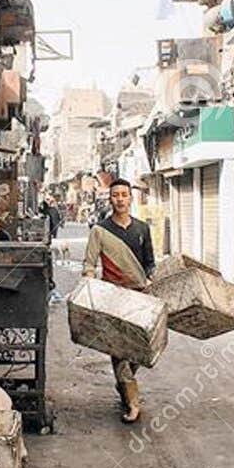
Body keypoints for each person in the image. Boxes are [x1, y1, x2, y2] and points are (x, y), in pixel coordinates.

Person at [82, 178, 157, 423]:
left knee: (138, 349)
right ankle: (133, 403)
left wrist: (151, 280)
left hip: (138, 298)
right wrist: (89, 286)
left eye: (124, 195)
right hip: (112, 298)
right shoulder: (100, 231)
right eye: (116, 195)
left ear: (130, 198)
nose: (120, 199)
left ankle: (124, 383)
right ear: (110, 198)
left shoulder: (142, 229)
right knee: (119, 350)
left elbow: (149, 263)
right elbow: (90, 264)